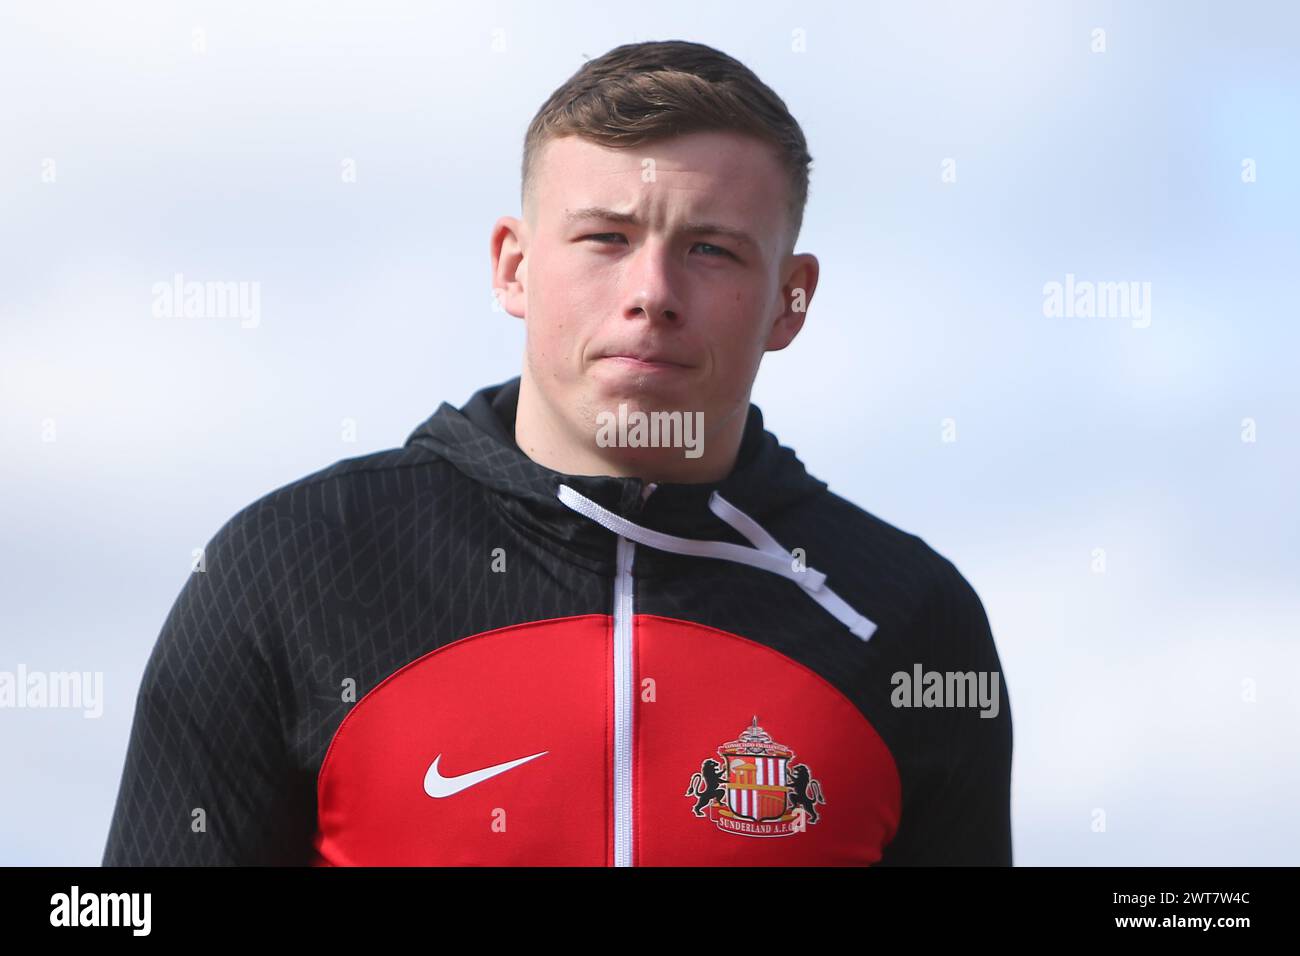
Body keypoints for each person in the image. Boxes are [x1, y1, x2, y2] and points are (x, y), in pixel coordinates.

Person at [102, 39, 1012, 867]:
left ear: (790, 300)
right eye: (606, 238)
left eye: (711, 249)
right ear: (514, 266)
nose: (651, 293)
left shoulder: (911, 619)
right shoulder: (290, 567)